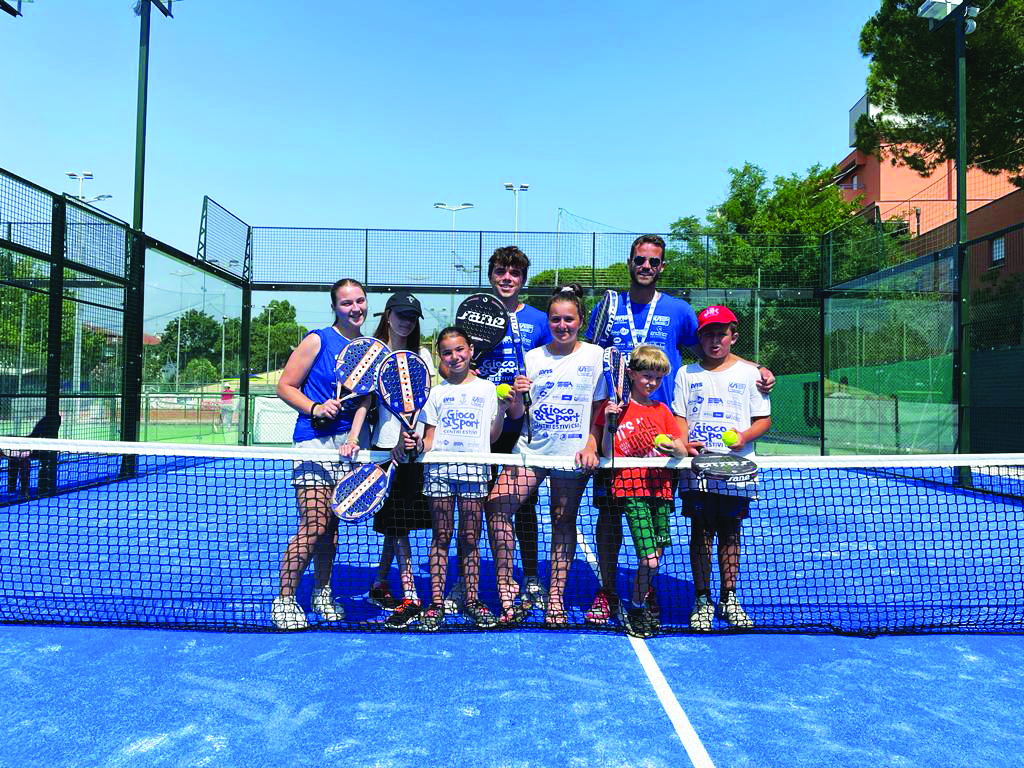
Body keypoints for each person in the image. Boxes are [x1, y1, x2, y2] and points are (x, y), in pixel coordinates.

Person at [585, 234, 776, 625]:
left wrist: (756, 367)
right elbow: (591, 353)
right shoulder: (608, 306)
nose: (646, 267)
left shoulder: (679, 310)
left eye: (654, 261)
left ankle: (646, 586)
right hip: (615, 425)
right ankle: (607, 591)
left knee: (655, 515)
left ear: (662, 266)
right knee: (609, 516)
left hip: (661, 433)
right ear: (630, 262)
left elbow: (712, 345)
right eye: (640, 260)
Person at [487, 284, 606, 626]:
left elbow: (599, 408)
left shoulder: (596, 356)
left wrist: (591, 445)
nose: (562, 325)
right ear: (549, 322)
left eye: (569, 319)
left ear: (581, 320)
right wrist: (513, 398)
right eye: (556, 319)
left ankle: (555, 597)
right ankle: (508, 589)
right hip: (531, 451)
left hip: (572, 455)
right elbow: (516, 414)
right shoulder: (533, 358)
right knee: (496, 505)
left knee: (562, 520)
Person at [445, 246, 552, 615]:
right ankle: (465, 580)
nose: (507, 278)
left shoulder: (540, 320)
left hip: (523, 424)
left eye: (514, 273)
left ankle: (532, 577)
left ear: (522, 279)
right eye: (500, 272)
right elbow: (453, 366)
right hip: (479, 423)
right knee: (471, 505)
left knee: (521, 504)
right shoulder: (471, 317)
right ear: (491, 275)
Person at [271, 278, 370, 630]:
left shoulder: (369, 349)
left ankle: (322, 592)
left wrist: (355, 438)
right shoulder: (318, 339)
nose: (355, 308)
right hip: (312, 442)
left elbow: (363, 401)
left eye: (360, 300)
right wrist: (314, 408)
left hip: (347, 446)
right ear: (335, 308)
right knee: (313, 524)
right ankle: (284, 599)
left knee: (332, 529)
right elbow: (284, 385)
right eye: (346, 303)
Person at [398, 326, 511, 631]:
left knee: (471, 538)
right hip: (439, 472)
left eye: (459, 349)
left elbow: (492, 435)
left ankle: (472, 600)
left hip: (475, 471)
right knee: (441, 537)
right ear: (441, 357)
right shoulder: (436, 392)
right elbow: (430, 437)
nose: (455, 356)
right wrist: (419, 444)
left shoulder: (488, 389)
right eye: (447, 352)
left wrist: (501, 409)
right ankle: (436, 604)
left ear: (470, 350)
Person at [671, 305, 771, 631]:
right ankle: (702, 598)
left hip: (738, 470)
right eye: (708, 333)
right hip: (697, 470)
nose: (715, 340)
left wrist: (744, 437)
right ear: (699, 338)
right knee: (700, 532)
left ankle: (729, 598)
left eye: (721, 333)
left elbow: (764, 421)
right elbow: (680, 417)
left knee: (730, 532)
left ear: (733, 337)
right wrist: (685, 445)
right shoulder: (687, 374)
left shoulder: (751, 374)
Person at [593, 345, 687, 638]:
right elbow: (607, 454)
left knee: (655, 558)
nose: (652, 383)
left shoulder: (662, 410)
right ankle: (636, 607)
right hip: (632, 489)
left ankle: (636, 601)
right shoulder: (616, 409)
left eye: (657, 378)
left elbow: (682, 448)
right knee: (650, 560)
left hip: (662, 492)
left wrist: (673, 447)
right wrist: (609, 421)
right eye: (647, 376)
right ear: (631, 374)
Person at [358, 292, 436, 629]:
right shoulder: (372, 354)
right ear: (388, 315)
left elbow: (429, 404)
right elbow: (362, 403)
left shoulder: (423, 356)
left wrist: (418, 439)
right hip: (383, 451)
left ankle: (379, 584)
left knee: (397, 523)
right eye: (401, 314)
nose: (406, 321)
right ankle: (411, 596)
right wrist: (357, 443)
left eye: (412, 316)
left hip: (414, 452)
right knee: (399, 524)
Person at [2, 413, 61, 500]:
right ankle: (15, 489)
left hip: (36, 450)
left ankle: (24, 490)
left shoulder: (44, 439)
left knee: (24, 460)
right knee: (20, 460)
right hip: (29, 448)